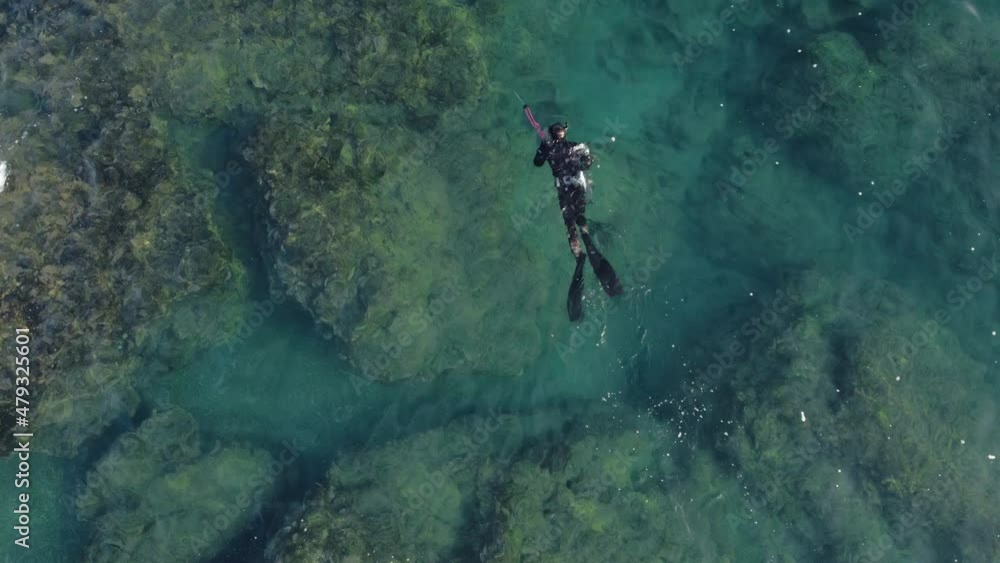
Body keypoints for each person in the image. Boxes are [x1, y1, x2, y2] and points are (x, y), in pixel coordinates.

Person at [533, 122, 594, 257]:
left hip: (563, 186)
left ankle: (577, 250)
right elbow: (587, 160)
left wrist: (543, 146)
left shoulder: (548, 149)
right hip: (577, 182)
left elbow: (537, 162)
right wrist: (587, 161)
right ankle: (585, 233)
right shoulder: (574, 146)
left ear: (550, 134)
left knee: (569, 223)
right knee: (580, 215)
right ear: (565, 133)